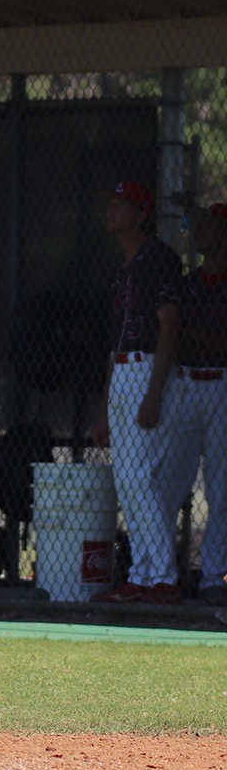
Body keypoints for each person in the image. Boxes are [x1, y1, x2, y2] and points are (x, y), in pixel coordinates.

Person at [93, 180, 183, 603]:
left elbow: (169, 324)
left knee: (138, 478)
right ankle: (143, 574)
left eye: (121, 204)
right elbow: (113, 345)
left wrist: (153, 390)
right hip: (123, 371)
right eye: (111, 203)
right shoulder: (122, 267)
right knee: (130, 483)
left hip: (148, 367)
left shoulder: (159, 258)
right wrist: (105, 407)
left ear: (141, 213)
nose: (112, 210)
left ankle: (162, 575)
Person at [164, 203, 227, 607]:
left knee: (221, 489)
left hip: (221, 386)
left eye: (207, 225)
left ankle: (211, 577)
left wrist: (187, 335)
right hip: (185, 384)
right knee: (169, 481)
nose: (198, 232)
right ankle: (160, 574)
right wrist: (190, 337)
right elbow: (172, 339)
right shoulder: (188, 283)